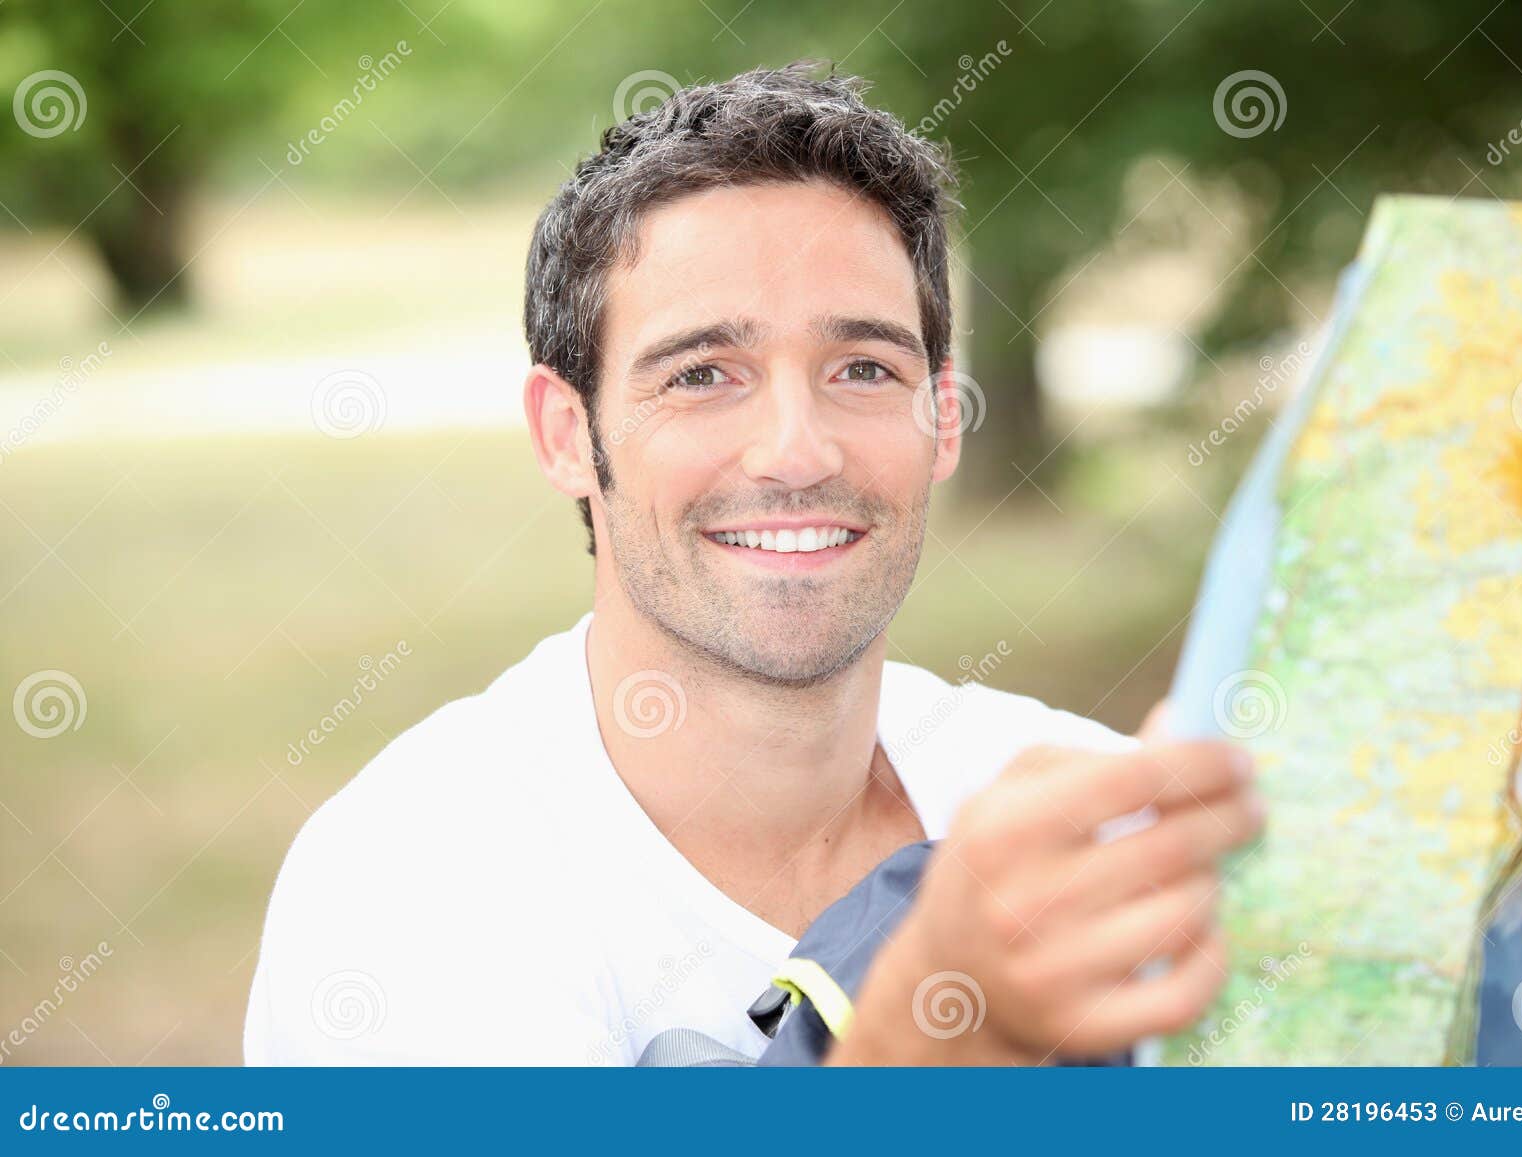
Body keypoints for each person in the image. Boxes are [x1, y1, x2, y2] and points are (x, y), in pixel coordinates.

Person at [243, 61, 1263, 1066]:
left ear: (944, 418)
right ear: (566, 434)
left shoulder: (1085, 817)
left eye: (862, 367)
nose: (795, 451)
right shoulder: (407, 881)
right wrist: (936, 1024)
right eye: (702, 374)